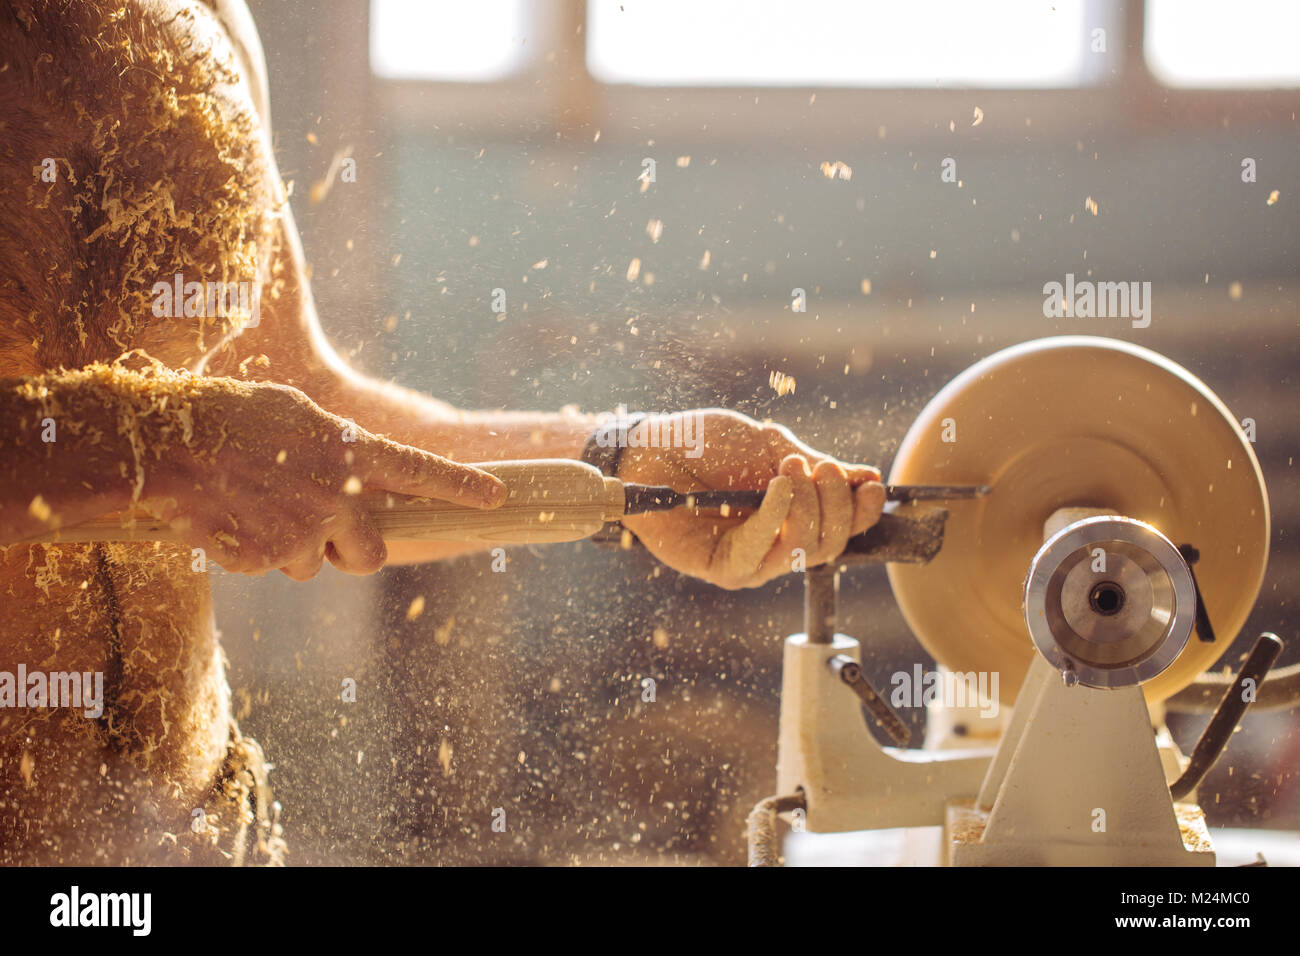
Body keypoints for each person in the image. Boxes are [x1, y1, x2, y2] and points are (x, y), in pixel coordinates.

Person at [0, 0, 886, 864]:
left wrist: (619, 465)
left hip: (195, 832)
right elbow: (221, 441)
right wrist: (167, 451)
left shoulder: (212, 18)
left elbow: (299, 410)